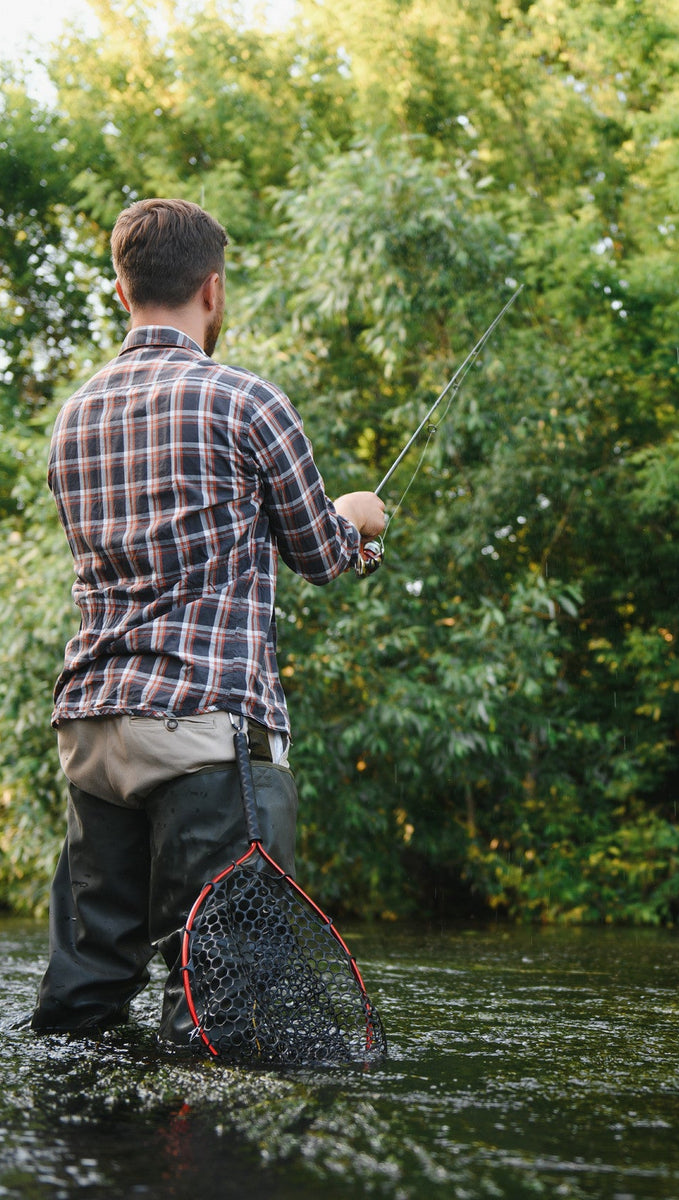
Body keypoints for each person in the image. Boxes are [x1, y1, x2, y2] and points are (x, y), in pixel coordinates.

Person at [28, 197, 386, 1045]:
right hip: (205, 736)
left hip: (91, 738)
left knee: (84, 999)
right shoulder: (246, 401)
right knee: (229, 1011)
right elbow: (321, 553)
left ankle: (88, 1164)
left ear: (123, 291)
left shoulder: (73, 417)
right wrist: (361, 521)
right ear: (212, 292)